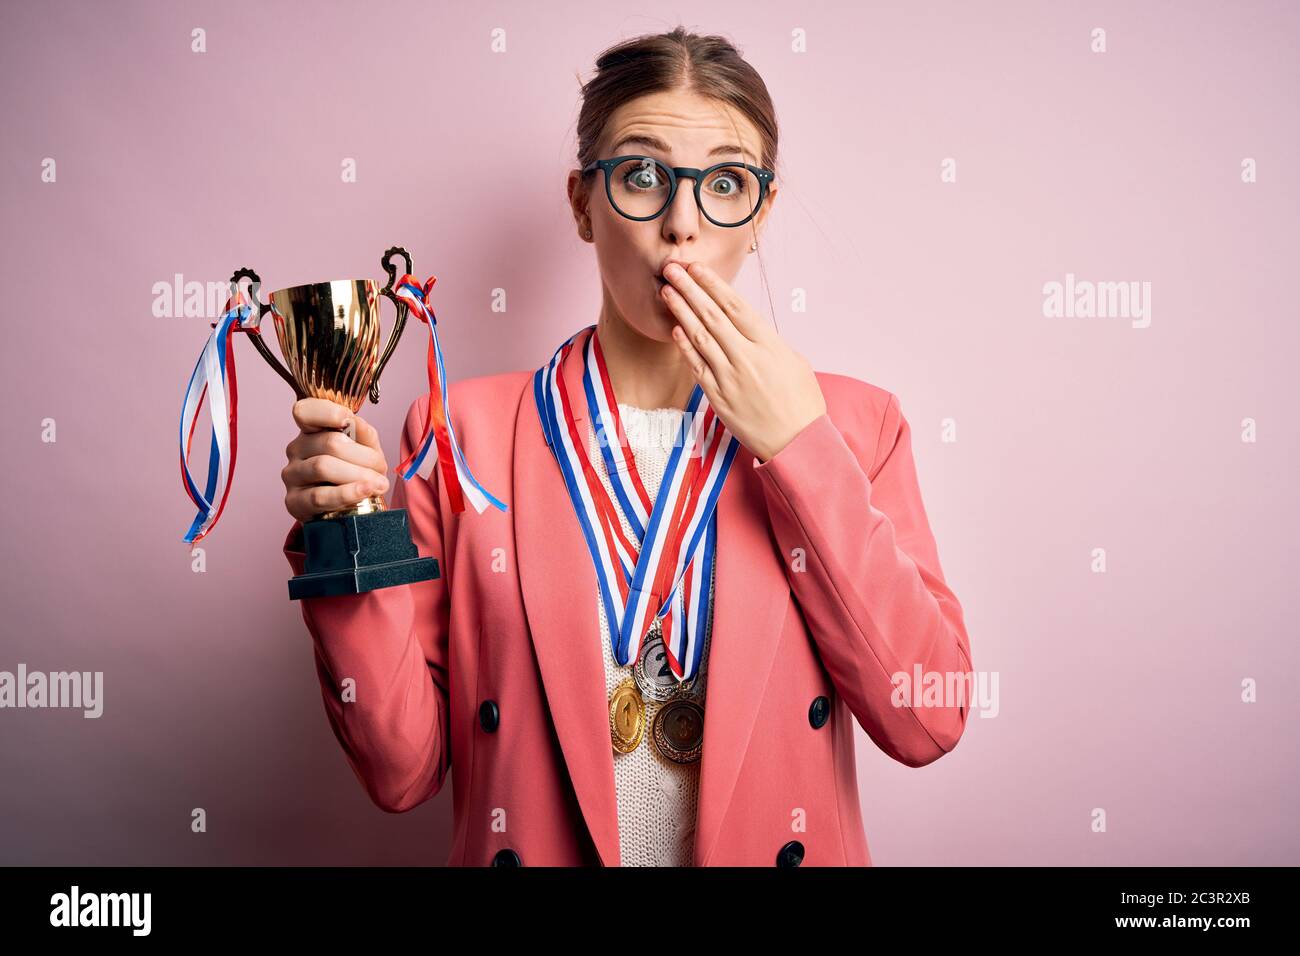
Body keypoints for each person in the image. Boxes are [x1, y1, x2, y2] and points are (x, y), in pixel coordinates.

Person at [281, 26, 972, 867]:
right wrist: (346, 526)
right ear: (582, 202)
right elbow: (401, 769)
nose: (681, 225)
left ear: (760, 213)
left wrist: (797, 445)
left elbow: (926, 717)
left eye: (724, 183)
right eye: (642, 175)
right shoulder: (460, 432)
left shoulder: (857, 427)